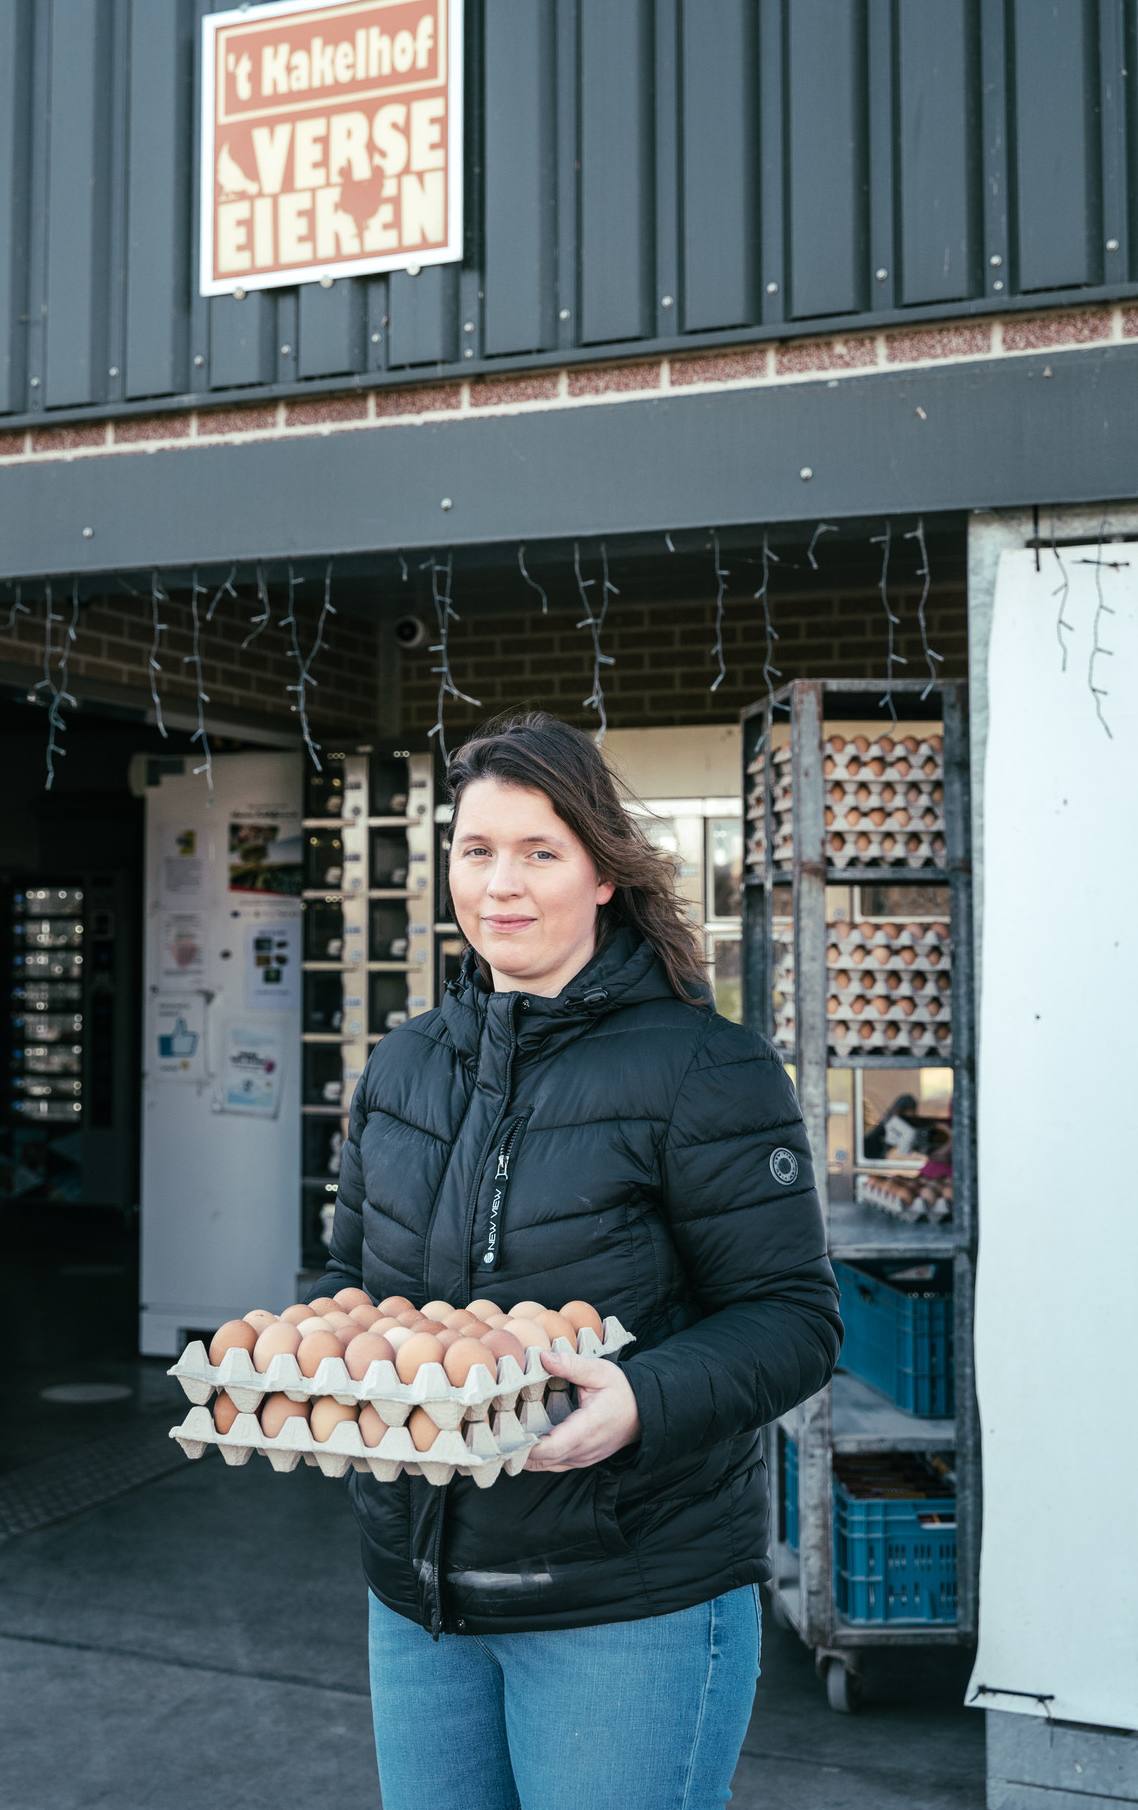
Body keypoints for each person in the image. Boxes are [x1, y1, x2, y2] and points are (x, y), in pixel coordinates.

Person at [314, 712, 842, 1810]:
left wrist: (638, 1400)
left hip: (627, 1600)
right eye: (476, 850)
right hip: (420, 1602)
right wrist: (326, 1375)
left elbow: (793, 1318)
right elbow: (343, 1284)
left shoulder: (708, 1069)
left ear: (603, 871)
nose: (500, 883)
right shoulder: (405, 1065)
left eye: (539, 851)